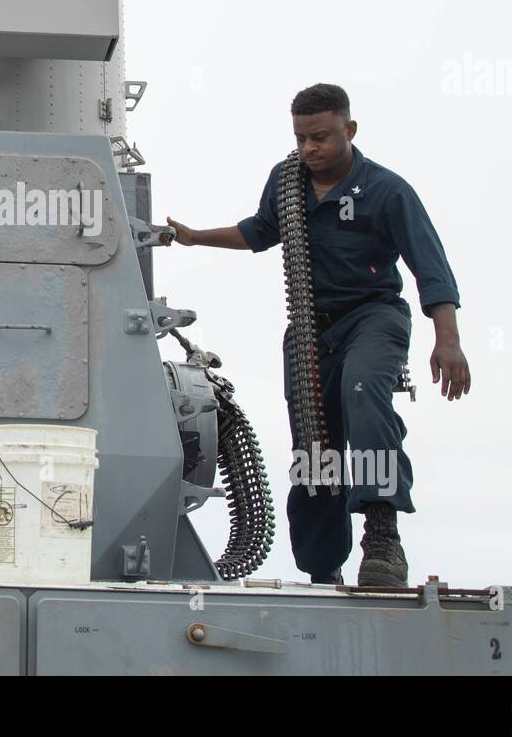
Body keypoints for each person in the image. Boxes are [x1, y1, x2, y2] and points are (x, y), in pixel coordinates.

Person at [163, 84, 470, 587]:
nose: (310, 149)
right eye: (301, 138)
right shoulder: (288, 182)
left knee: (364, 392)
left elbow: (430, 266)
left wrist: (448, 340)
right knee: (314, 445)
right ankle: (322, 564)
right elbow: (260, 231)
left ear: (349, 130)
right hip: (310, 328)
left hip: (373, 316)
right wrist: (196, 236)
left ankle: (382, 535)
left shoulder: (387, 190)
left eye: (321, 137)